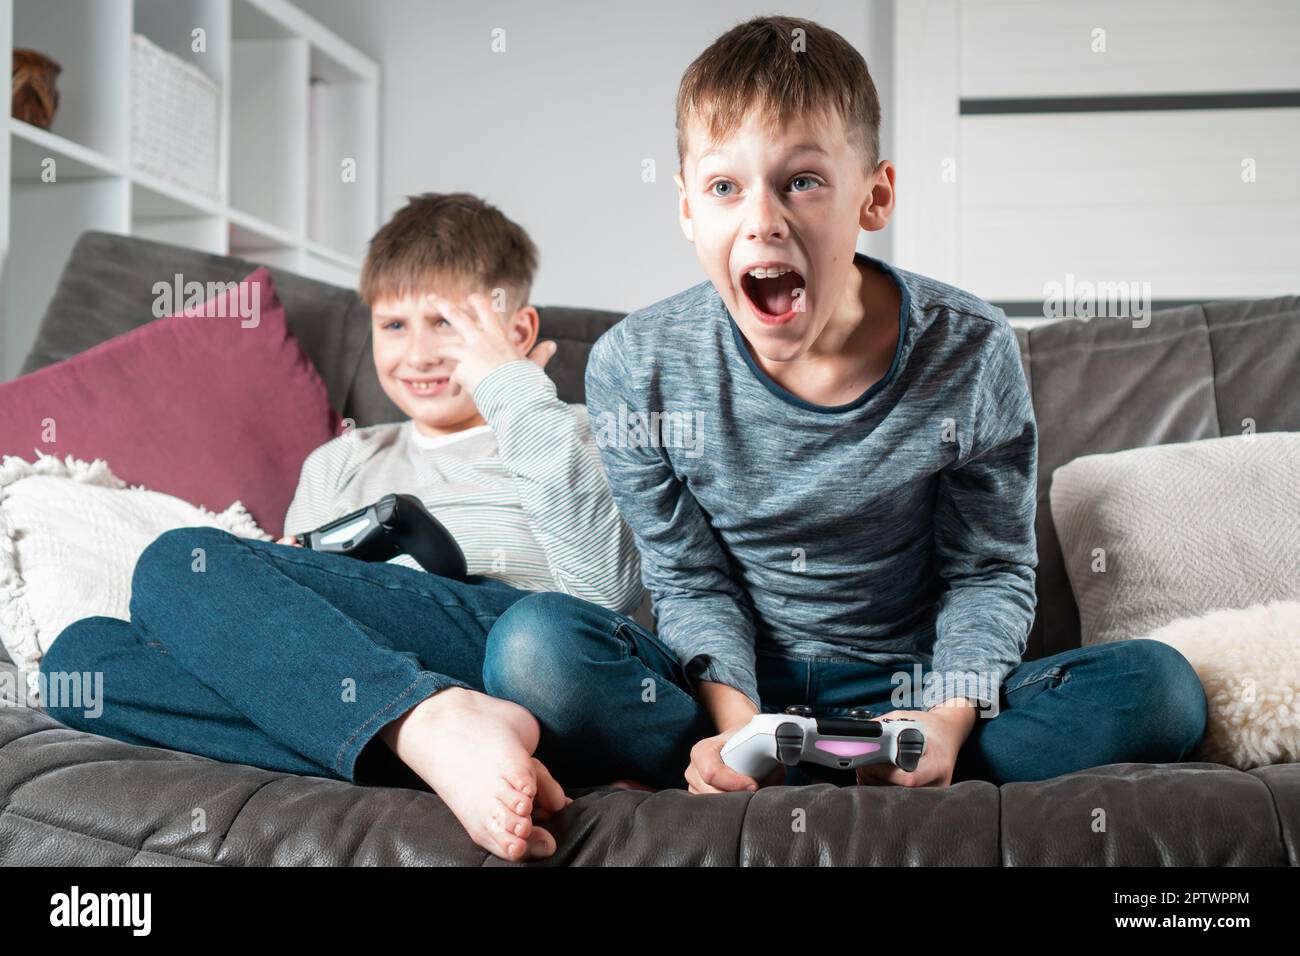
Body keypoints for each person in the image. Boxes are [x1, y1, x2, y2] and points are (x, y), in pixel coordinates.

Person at [497, 15, 1208, 795]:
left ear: (875, 196)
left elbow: (988, 571)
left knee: (1161, 689)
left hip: (908, 691)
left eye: (801, 181)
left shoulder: (971, 348)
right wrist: (741, 737)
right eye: (725, 187)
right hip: (726, 696)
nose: (762, 219)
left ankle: (896, 766)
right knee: (535, 648)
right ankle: (746, 767)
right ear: (688, 209)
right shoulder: (639, 364)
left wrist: (943, 719)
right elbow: (689, 582)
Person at [40, 192, 650, 862]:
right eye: (393, 326)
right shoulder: (342, 460)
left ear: (520, 329)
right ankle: (436, 740)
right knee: (82, 658)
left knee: (183, 558)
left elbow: (607, 595)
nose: (417, 354)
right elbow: (294, 628)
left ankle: (429, 720)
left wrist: (515, 396)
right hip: (362, 662)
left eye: (445, 323)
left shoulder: (569, 431)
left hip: (520, 651)